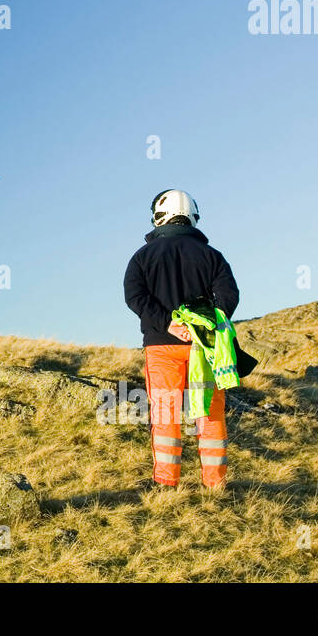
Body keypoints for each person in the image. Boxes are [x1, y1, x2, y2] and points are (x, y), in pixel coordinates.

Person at [123, 189, 239, 489]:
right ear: (192, 216)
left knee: (166, 414)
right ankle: (215, 485)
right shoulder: (212, 256)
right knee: (210, 413)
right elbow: (229, 296)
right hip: (205, 348)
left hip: (161, 347)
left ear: (159, 216)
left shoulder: (141, 257)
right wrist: (204, 324)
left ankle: (166, 483)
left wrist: (167, 323)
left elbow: (134, 297)